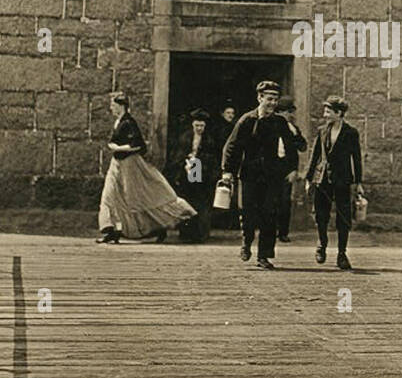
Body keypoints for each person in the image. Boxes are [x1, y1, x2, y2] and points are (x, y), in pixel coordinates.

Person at [220, 81, 303, 269]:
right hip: (249, 175)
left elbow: (291, 147)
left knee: (269, 215)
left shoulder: (280, 122)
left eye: (275, 99)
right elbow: (232, 147)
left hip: (272, 176)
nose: (273, 103)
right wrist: (227, 171)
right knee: (247, 213)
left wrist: (292, 168)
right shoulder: (246, 120)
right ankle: (246, 243)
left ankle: (264, 256)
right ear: (259, 98)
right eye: (269, 99)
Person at [97, 92, 196, 244]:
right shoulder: (119, 121)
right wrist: (114, 147)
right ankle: (112, 229)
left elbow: (138, 146)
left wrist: (119, 148)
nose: (111, 108)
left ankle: (157, 226)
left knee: (135, 198)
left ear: (121, 106)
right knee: (110, 196)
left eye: (113, 105)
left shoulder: (129, 122)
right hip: (116, 163)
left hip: (129, 164)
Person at [305, 95, 363, 270]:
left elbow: (357, 158)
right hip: (322, 179)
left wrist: (358, 181)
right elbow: (314, 155)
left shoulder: (351, 133)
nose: (325, 114)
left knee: (343, 218)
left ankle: (341, 254)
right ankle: (322, 244)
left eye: (328, 111)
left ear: (339, 113)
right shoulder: (322, 131)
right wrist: (309, 179)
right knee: (321, 215)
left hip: (342, 179)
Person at [170, 108, 220, 243]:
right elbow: (176, 155)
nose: (199, 128)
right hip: (186, 172)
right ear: (192, 124)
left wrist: (200, 161)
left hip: (202, 173)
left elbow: (213, 157)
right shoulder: (185, 137)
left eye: (202, 126)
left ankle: (200, 234)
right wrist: (185, 161)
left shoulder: (209, 139)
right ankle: (186, 233)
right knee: (187, 200)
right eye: (197, 125)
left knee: (201, 203)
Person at [274, 96, 306, 242]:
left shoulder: (292, 128)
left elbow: (301, 147)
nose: (290, 115)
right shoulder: (270, 125)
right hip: (271, 167)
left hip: (286, 168)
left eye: (290, 112)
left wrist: (294, 170)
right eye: (287, 112)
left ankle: (283, 232)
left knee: (284, 201)